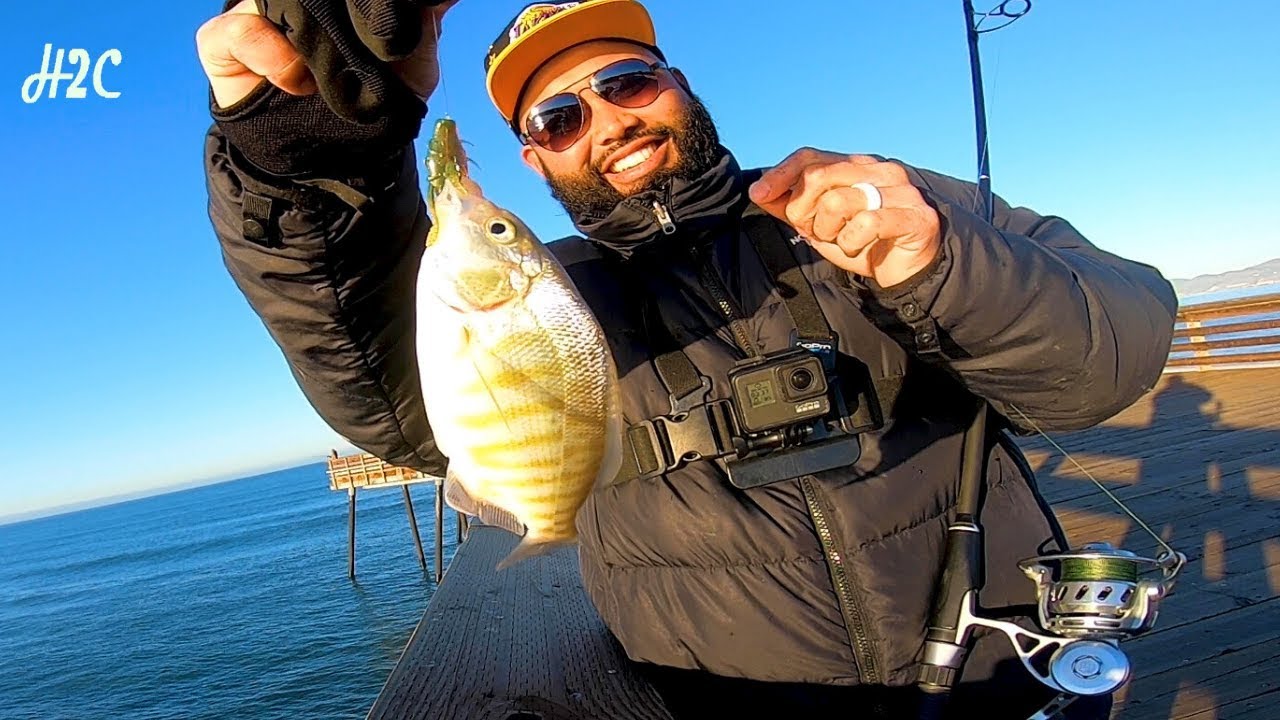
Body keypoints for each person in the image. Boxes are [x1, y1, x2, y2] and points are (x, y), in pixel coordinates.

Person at [197, 1, 1178, 717]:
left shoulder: (865, 200)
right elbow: (376, 380)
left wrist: (942, 264)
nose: (608, 120)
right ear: (534, 158)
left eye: (627, 82)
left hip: (1002, 672)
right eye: (558, 118)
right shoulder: (558, 294)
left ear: (679, 84)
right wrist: (308, 160)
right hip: (719, 702)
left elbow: (1107, 362)